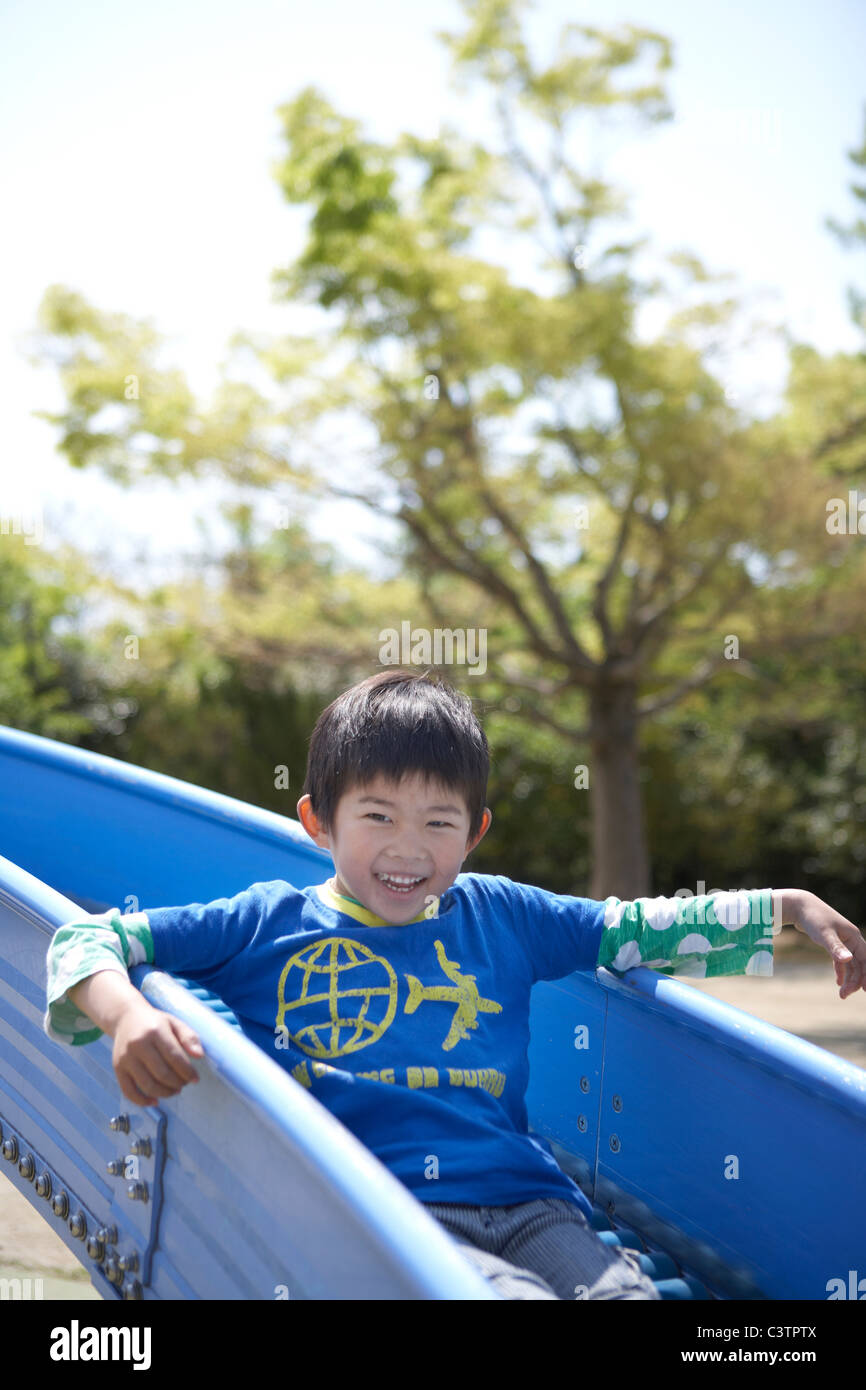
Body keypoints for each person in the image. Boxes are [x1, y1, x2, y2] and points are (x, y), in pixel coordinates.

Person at [44, 670, 866, 1301]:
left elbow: (632, 929)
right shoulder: (265, 925)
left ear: (474, 832)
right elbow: (90, 933)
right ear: (317, 821)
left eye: (439, 822)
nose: (410, 848)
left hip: (529, 1202)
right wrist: (124, 1017)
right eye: (378, 816)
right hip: (387, 1209)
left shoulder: (502, 915)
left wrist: (781, 908)